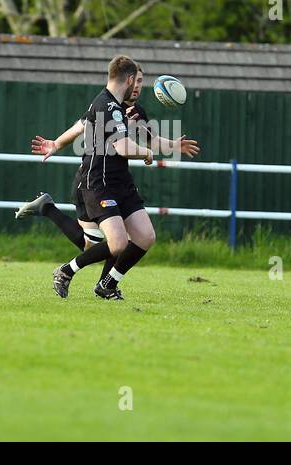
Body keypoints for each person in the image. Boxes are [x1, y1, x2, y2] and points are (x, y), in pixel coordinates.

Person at [34, 55, 197, 300]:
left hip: (121, 182)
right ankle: (66, 270)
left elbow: (150, 139)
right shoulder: (106, 106)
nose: (140, 86)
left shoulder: (130, 110)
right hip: (98, 182)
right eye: (138, 81)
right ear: (129, 79)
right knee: (113, 243)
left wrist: (174, 145)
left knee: (145, 236)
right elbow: (121, 146)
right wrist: (146, 153)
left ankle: (107, 284)